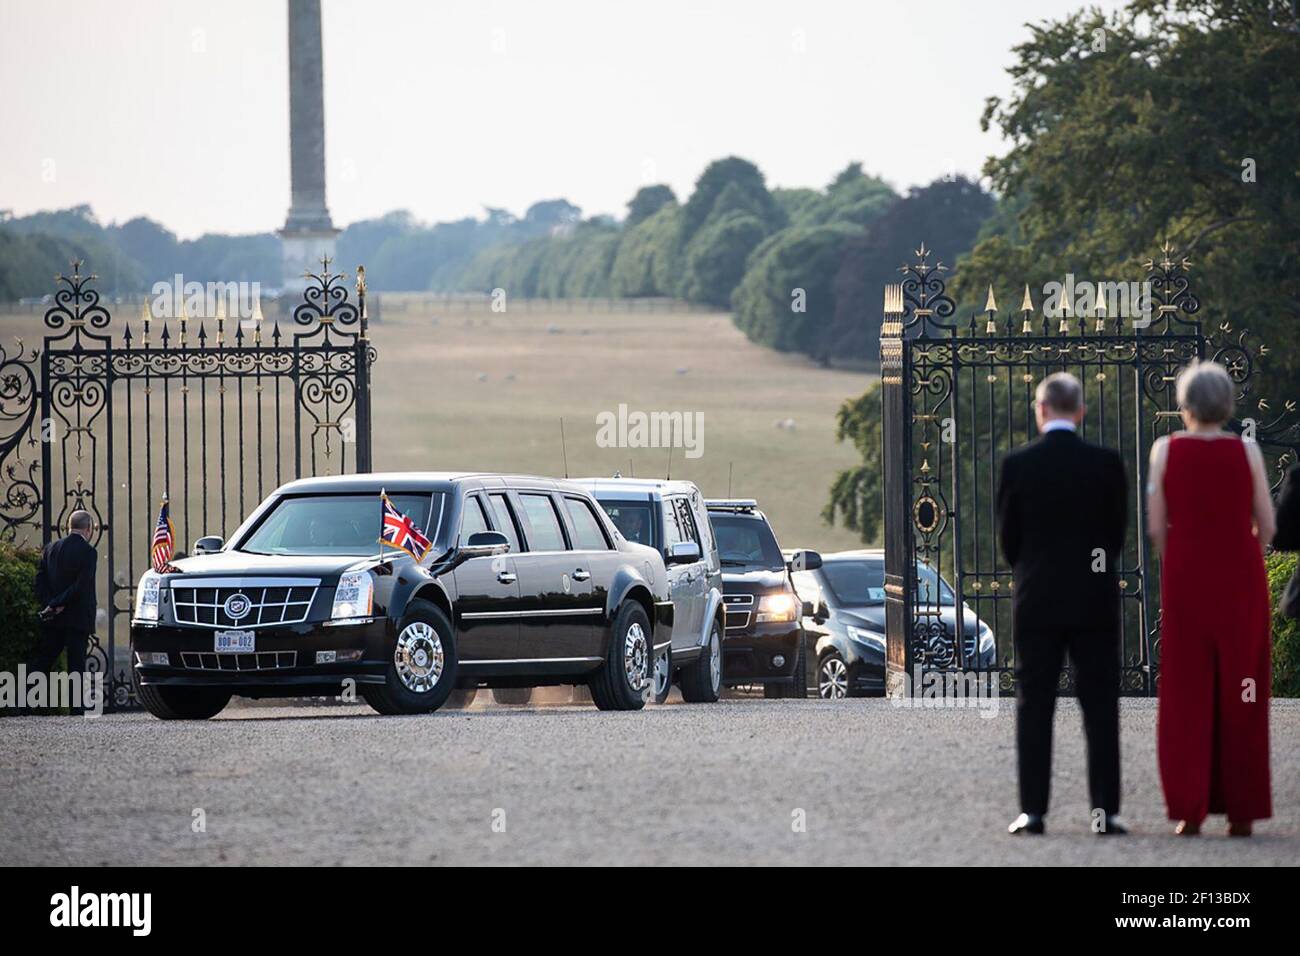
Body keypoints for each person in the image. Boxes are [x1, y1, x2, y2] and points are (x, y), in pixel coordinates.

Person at [996, 372, 1128, 836]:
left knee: (1035, 706)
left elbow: (1009, 540)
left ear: (1041, 409)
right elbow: (1115, 535)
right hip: (1094, 600)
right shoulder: (1107, 463)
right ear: (1081, 410)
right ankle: (1105, 812)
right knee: (1100, 706)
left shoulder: (1017, 465)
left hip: (1038, 598)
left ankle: (1033, 810)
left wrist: (1032, 567)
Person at [1146, 360, 1273, 836]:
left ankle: (1189, 809)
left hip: (1187, 579)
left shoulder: (1166, 450)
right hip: (1240, 578)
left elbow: (1158, 526)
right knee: (1244, 689)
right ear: (1227, 404)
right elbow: (1268, 524)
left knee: (1186, 693)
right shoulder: (1248, 452)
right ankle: (1242, 810)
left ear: (1184, 406)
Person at [30, 510, 99, 713]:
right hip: (77, 617)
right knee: (76, 664)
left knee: (44, 660)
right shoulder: (88, 552)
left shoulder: (51, 548)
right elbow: (82, 586)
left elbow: (39, 580)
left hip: (54, 617)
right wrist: (59, 602)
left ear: (68, 526)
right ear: (88, 529)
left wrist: (51, 604)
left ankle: (24, 703)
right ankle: (76, 709)